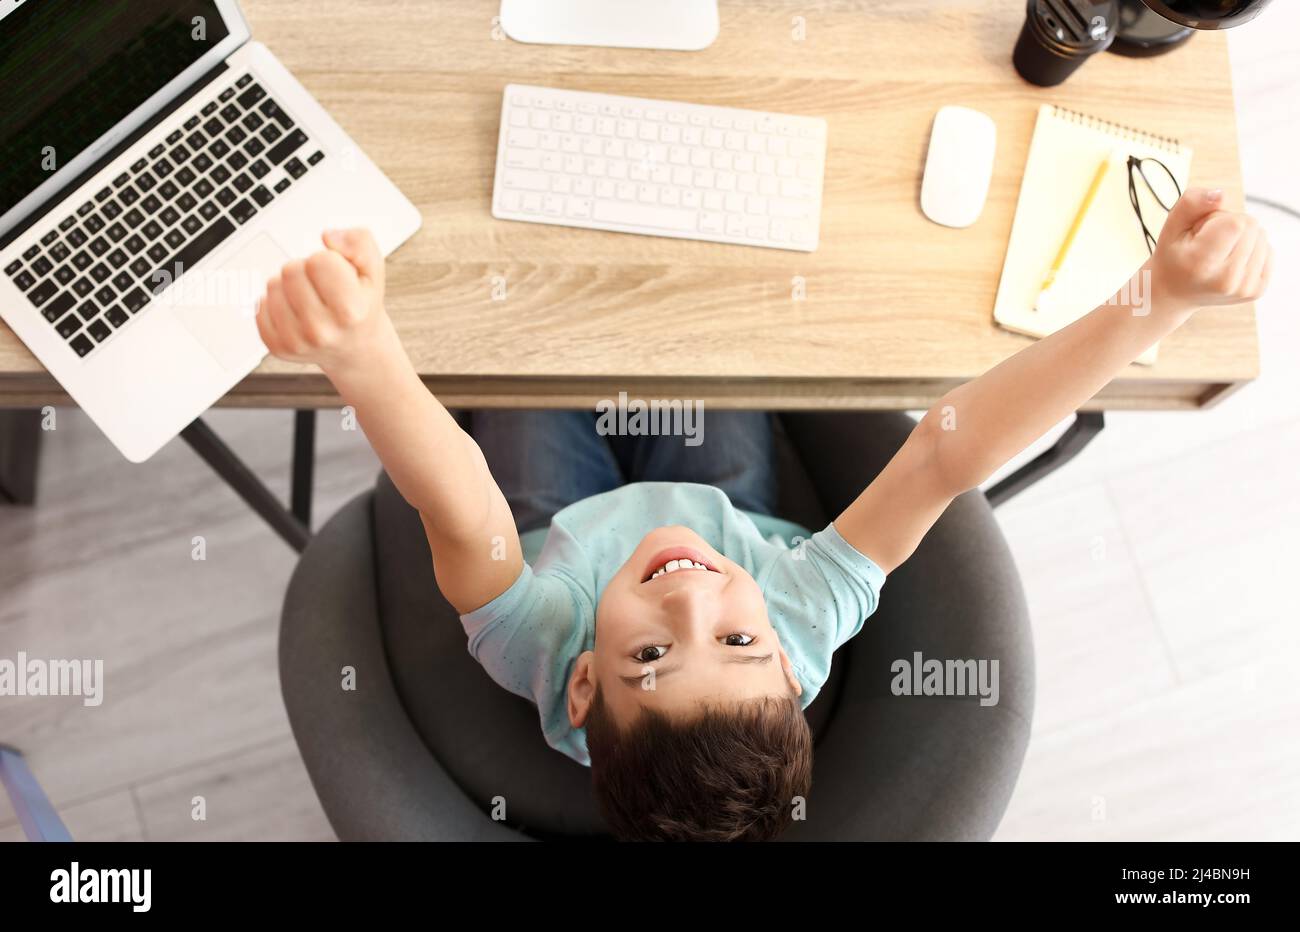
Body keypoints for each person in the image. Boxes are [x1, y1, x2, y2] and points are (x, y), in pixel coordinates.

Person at [255, 188, 1271, 840]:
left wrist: (363, 349)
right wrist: (1159, 299)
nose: (688, 596)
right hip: (732, 504)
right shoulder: (805, 613)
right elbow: (947, 451)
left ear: (578, 686)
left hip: (554, 521)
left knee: (530, 368)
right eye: (738, 637)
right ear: (787, 658)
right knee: (695, 338)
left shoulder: (532, 641)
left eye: (648, 656)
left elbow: (458, 500)